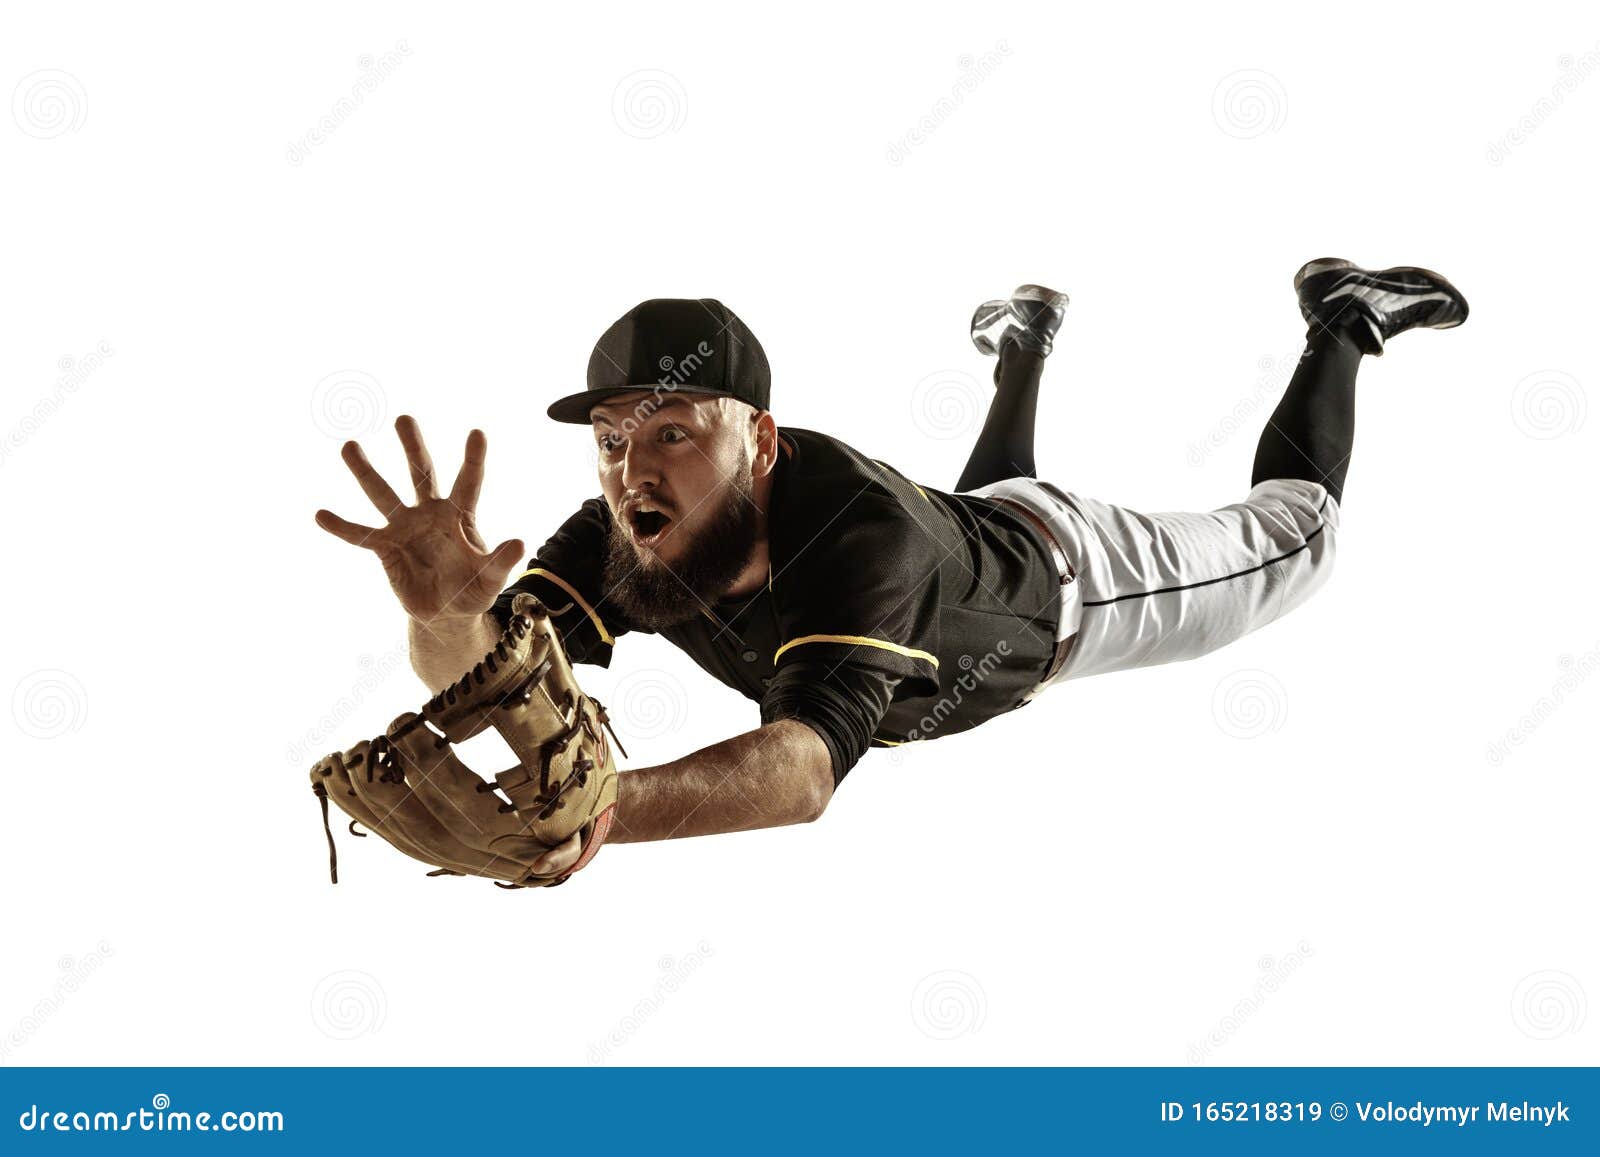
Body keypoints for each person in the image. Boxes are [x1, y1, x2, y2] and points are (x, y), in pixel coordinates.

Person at [315, 259, 1468, 875]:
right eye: (613, 436)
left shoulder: (859, 533)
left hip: (1076, 583)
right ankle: (1022, 339)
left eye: (673, 428)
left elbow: (803, 769)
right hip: (972, 527)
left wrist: (606, 806)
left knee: (1297, 542)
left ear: (758, 438)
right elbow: (495, 677)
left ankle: (1342, 322)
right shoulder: (615, 531)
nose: (631, 464)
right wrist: (442, 618)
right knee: (980, 502)